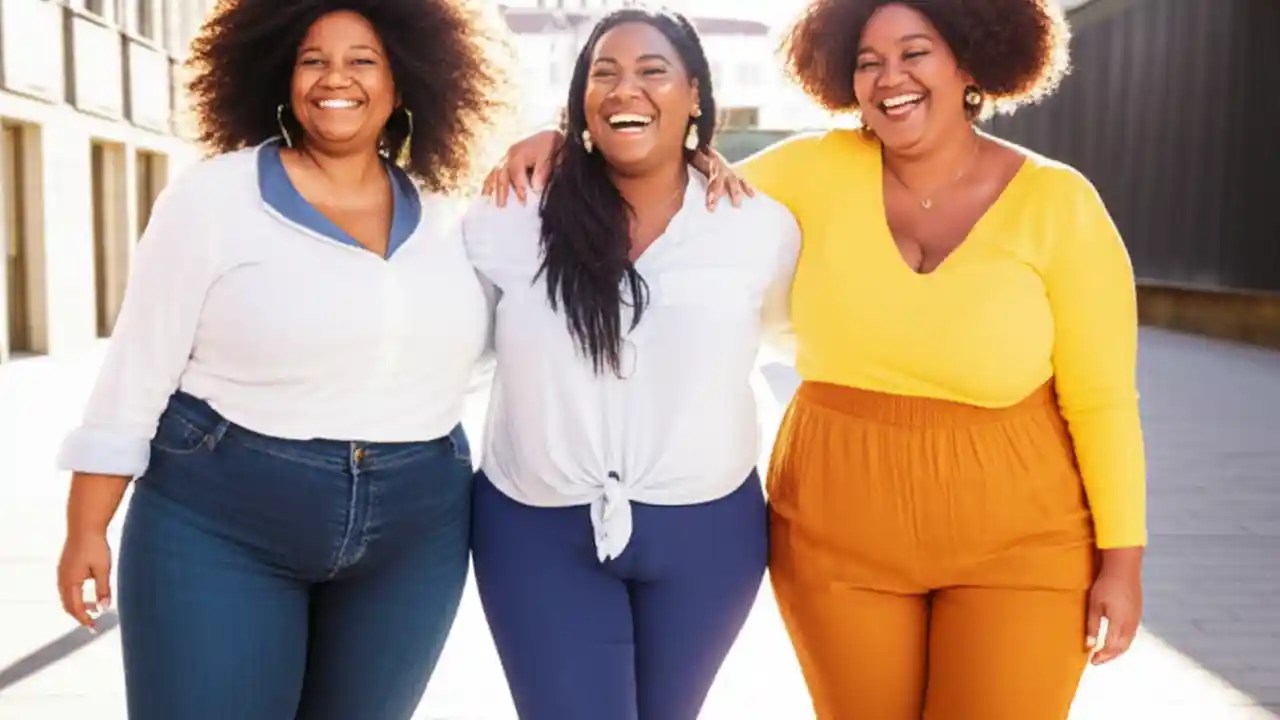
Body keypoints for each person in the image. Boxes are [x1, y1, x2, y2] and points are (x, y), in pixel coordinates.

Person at [483, 1, 1148, 718]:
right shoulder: (808, 171)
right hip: (838, 536)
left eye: (914, 53)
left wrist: (1123, 560)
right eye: (868, 62)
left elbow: (1102, 400)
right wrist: (562, 144)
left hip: (1021, 540)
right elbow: (667, 166)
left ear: (969, 63)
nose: (890, 77)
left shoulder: (1058, 203)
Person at [53, 1, 503, 718]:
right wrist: (86, 526)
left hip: (414, 534)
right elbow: (137, 367)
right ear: (279, 76)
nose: (335, 78)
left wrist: (553, 145)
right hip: (222, 518)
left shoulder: (454, 213)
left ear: (406, 80)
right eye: (312, 60)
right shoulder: (215, 196)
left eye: (363, 60)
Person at [462, 8, 799, 720]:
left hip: (708, 535)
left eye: (653, 72)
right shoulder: (512, 214)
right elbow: (454, 353)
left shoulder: (757, 228)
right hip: (537, 530)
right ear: (580, 98)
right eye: (604, 74)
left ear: (695, 95)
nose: (626, 89)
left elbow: (797, 344)